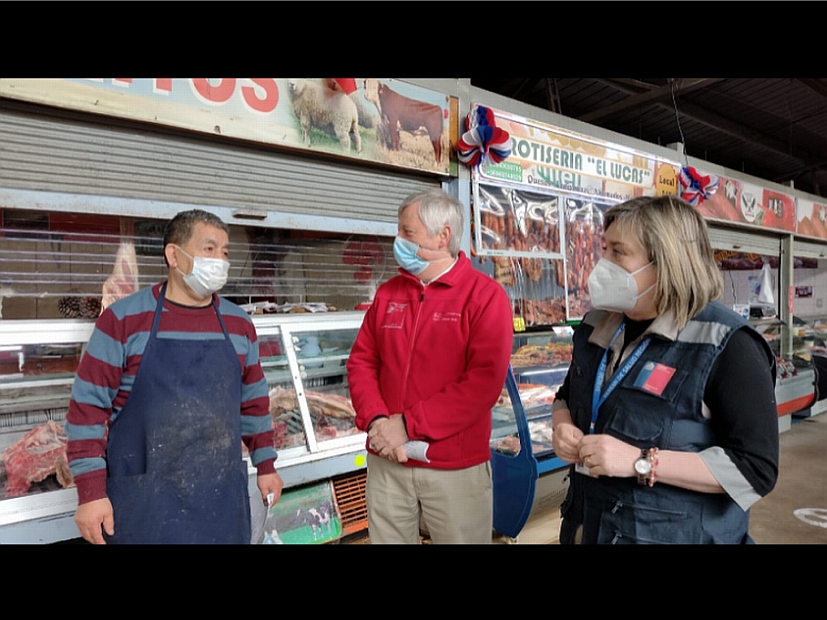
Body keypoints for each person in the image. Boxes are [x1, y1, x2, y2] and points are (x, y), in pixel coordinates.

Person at [552, 195, 779, 544]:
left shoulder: (728, 346)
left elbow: (755, 469)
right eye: (604, 249)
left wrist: (639, 461)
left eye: (618, 252)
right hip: (590, 525)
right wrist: (562, 425)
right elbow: (566, 395)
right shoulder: (596, 327)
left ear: (666, 261)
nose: (603, 263)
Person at [66, 209, 283, 544]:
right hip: (144, 505)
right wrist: (91, 493)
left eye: (225, 253)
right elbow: (88, 410)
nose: (220, 261)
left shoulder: (239, 324)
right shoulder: (122, 320)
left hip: (221, 502)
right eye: (209, 249)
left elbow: (253, 403)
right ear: (173, 255)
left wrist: (266, 465)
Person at [346, 188, 513, 544]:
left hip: (454, 467)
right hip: (387, 459)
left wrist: (407, 425)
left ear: (443, 236)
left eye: (408, 233)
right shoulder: (388, 293)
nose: (398, 240)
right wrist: (377, 423)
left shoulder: (484, 297)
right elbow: (362, 362)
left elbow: (482, 385)